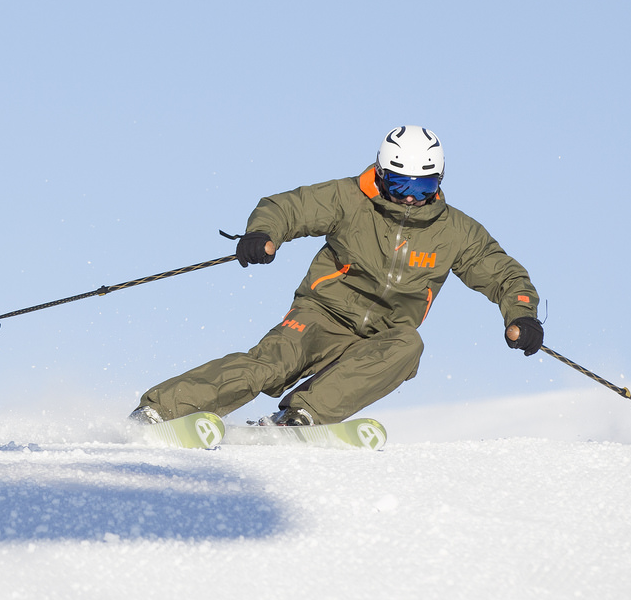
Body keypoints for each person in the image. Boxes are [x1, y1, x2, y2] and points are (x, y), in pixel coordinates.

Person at [132, 126, 542, 427]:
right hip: (321, 314)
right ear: (382, 173)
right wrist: (263, 233)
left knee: (409, 345)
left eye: (423, 186)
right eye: (400, 182)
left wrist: (521, 315)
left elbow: (504, 273)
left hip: (383, 337)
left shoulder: (455, 231)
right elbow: (288, 207)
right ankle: (159, 410)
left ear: (440, 181)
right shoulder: (350, 198)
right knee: (271, 364)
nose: (410, 196)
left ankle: (301, 417)